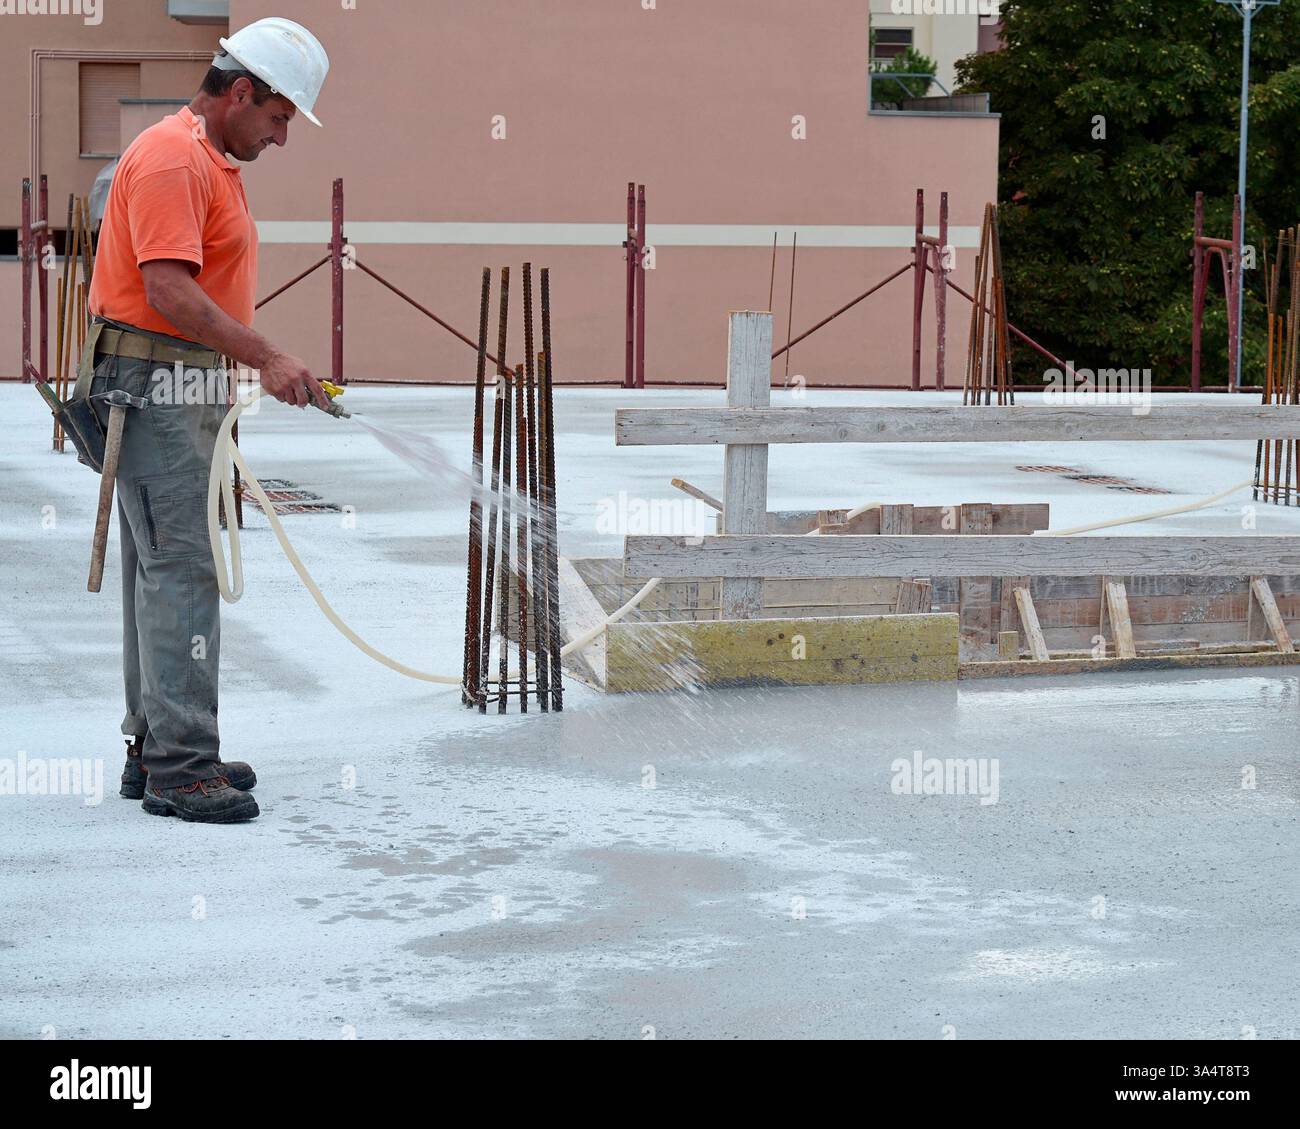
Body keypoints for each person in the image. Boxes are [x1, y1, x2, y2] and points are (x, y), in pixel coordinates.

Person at [82, 17, 331, 823]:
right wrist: (268, 357)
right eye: (280, 117)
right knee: (181, 567)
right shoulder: (170, 158)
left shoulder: (209, 161)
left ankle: (160, 745)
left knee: (160, 566)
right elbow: (170, 292)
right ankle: (181, 768)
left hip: (177, 384)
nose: (283, 136)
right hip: (156, 382)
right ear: (241, 91)